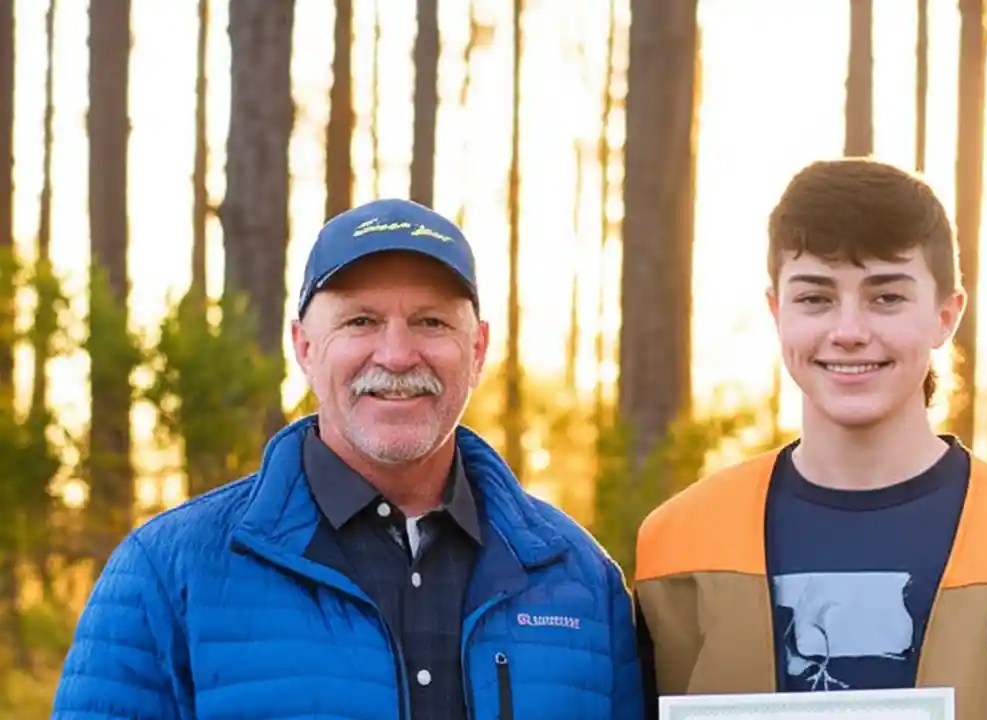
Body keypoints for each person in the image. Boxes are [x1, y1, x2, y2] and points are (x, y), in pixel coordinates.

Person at [53, 198, 643, 719]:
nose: (396, 354)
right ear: (304, 347)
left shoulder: (581, 582)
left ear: (477, 349)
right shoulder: (166, 575)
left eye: (430, 322)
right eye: (361, 321)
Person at [633, 159, 987, 719]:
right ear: (776, 311)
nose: (849, 331)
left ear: (947, 315)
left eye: (886, 298)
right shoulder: (674, 549)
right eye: (815, 298)